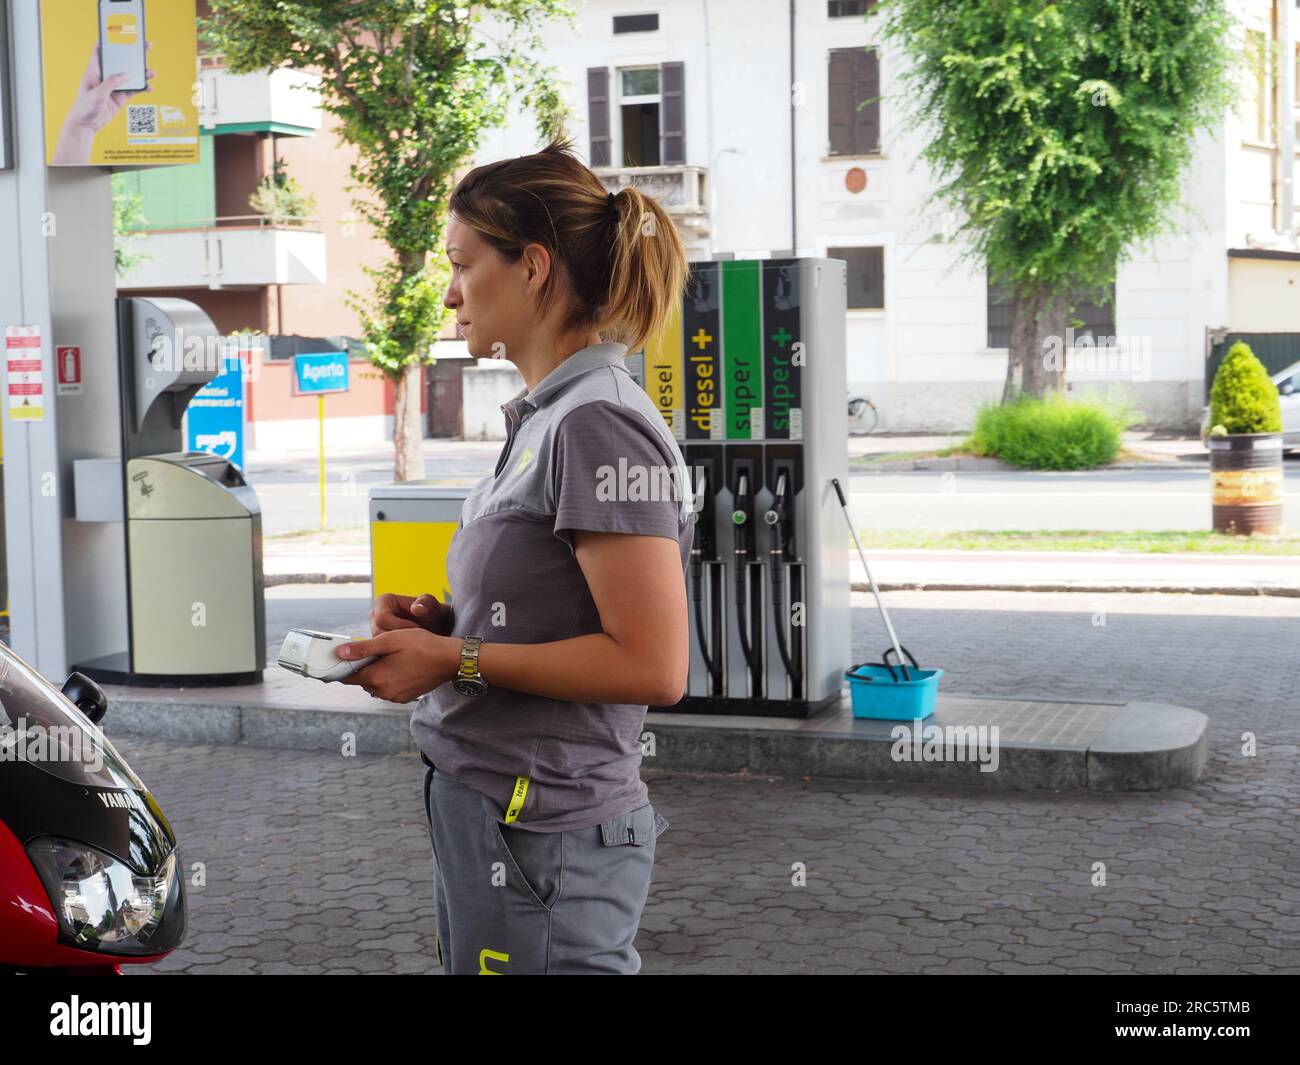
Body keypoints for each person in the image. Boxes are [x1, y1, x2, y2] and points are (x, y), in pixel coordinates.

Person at [336, 135, 695, 974]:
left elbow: (652, 663)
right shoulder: (547, 419)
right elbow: (548, 611)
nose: (451, 292)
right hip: (499, 816)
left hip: (545, 832)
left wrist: (454, 657)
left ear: (532, 266)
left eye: (464, 263)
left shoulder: (596, 424)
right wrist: (439, 626)